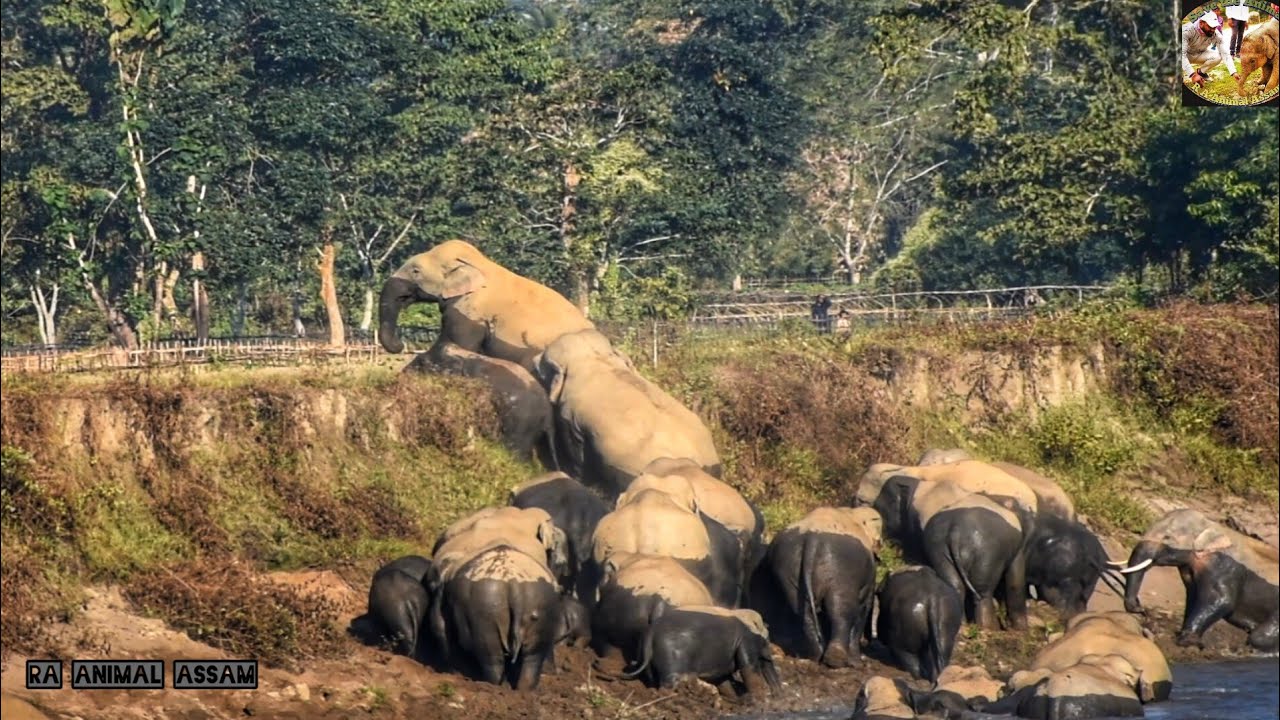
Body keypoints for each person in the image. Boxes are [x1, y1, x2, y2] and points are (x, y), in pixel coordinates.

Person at [1183, 9, 1238, 86]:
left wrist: (1233, 72)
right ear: (1201, 23)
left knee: (1218, 56)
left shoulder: (1215, 33)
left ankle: (1201, 73)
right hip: (1182, 55)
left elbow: (1225, 53)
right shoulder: (1187, 31)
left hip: (1199, 54)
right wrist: (1192, 74)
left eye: (1215, 27)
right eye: (1210, 27)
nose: (1213, 30)